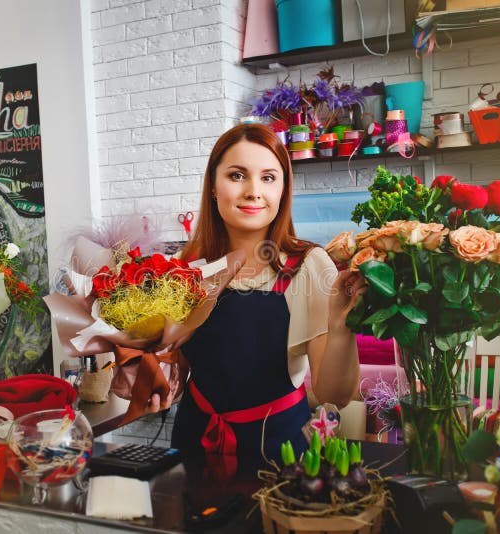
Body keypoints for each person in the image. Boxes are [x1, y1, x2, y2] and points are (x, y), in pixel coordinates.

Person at [148, 123, 365, 471]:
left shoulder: (308, 266)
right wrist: (136, 364)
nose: (253, 191)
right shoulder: (186, 266)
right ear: (214, 188)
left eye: (268, 177)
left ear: (283, 189)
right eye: (237, 175)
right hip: (194, 441)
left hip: (280, 451)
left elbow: (334, 395)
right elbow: (177, 367)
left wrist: (342, 327)